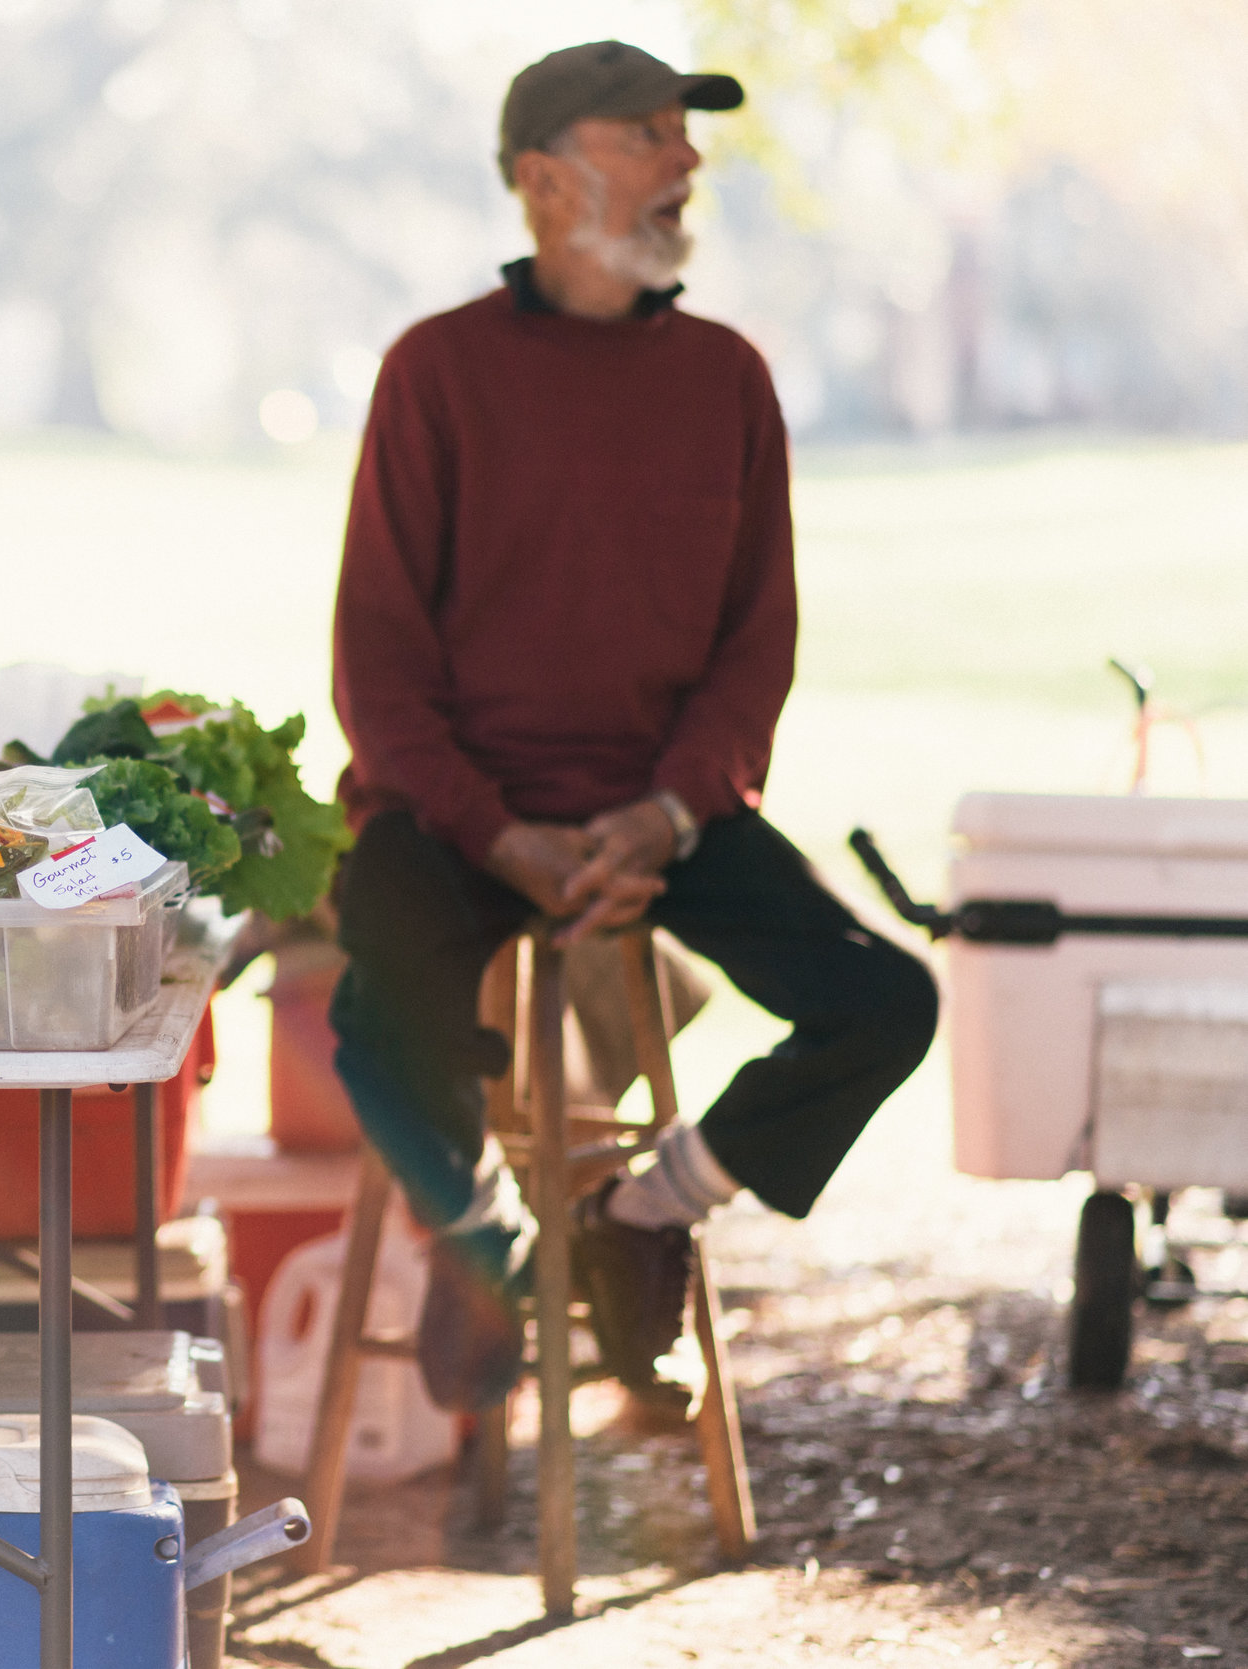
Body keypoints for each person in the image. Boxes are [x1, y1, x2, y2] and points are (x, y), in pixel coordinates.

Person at [327, 40, 939, 1420]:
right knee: (377, 1005)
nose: (686, 163)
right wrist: (502, 834)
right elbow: (379, 662)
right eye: (647, 136)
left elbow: (753, 645)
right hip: (460, 815)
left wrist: (665, 814)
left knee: (887, 1000)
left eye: (685, 135)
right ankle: (486, 1243)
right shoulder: (436, 372)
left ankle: (646, 1214)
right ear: (545, 181)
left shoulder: (726, 379)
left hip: (663, 814)